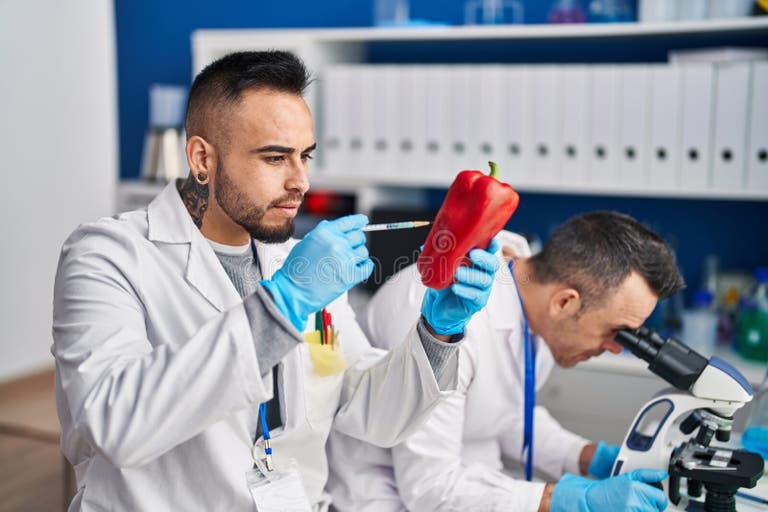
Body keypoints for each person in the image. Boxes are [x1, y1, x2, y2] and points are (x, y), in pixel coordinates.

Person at [51, 51, 501, 511]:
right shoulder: (107, 256)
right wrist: (285, 302)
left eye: (305, 156)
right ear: (203, 158)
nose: (301, 181)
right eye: (275, 158)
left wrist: (437, 333)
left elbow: (370, 410)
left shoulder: (295, 260)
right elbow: (112, 424)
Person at [326, 212, 685, 512]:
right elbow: (430, 489)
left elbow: (503, 416)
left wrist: (592, 457)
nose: (616, 348)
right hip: (386, 498)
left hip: (467, 486)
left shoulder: (535, 305)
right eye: (616, 331)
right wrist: (573, 500)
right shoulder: (450, 310)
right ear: (565, 302)